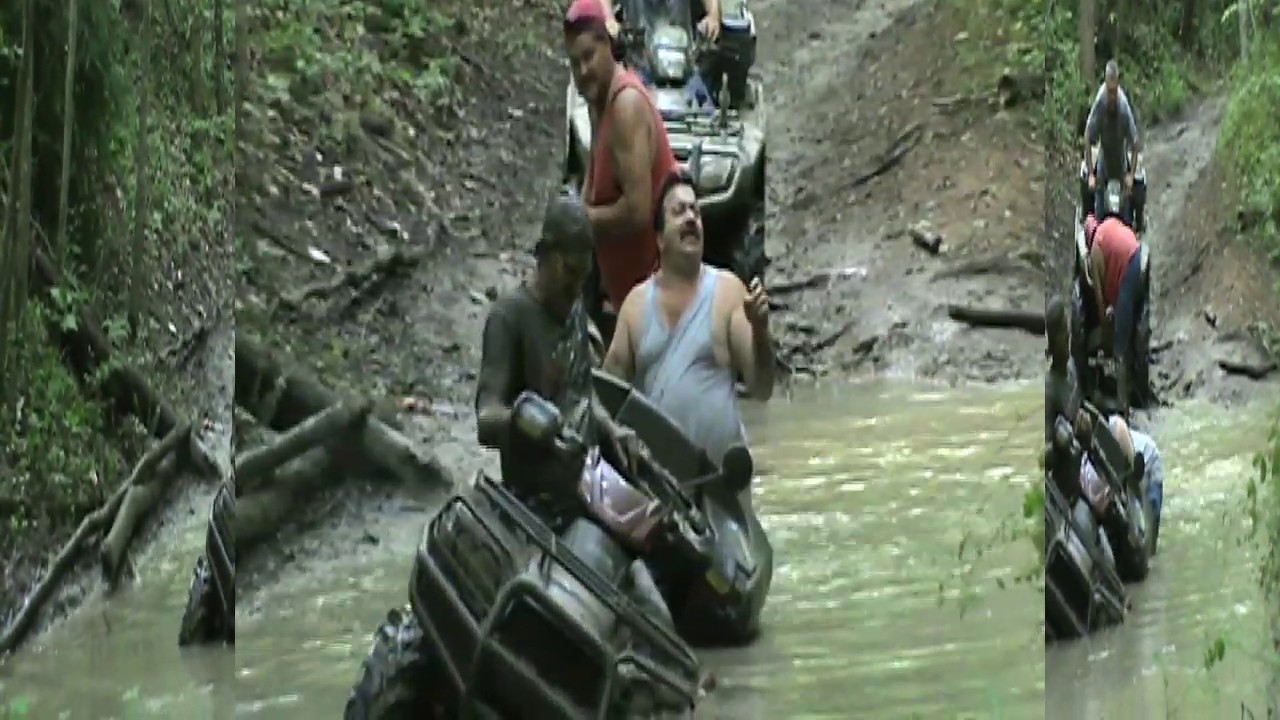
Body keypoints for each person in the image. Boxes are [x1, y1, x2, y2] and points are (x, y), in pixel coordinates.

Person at [474, 193, 646, 520]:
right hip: (535, 501)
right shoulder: (510, 318)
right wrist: (526, 421)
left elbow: (581, 392)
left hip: (589, 485)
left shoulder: (576, 310)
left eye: (584, 276)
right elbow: (486, 418)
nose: (576, 288)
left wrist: (611, 428)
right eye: (569, 273)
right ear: (545, 256)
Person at [602, 172, 774, 478]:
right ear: (659, 238)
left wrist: (760, 330)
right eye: (679, 211)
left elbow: (761, 388)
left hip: (724, 492)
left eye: (695, 210)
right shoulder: (635, 306)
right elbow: (606, 398)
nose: (691, 218)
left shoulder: (728, 291)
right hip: (661, 488)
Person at [565, 0, 681, 318]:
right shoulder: (597, 101)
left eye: (589, 56)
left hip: (655, 304)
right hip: (623, 298)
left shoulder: (625, 105)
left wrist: (580, 221)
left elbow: (637, 210)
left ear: (608, 45)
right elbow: (593, 188)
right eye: (575, 63)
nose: (583, 70)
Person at [1085, 209, 1142, 390]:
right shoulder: (1108, 224)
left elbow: (1099, 295)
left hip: (1128, 263)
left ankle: (1119, 375)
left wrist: (1104, 325)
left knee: (1122, 326)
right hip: (1136, 251)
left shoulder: (1095, 249)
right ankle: (1131, 362)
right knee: (1128, 312)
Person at [1083, 60, 1142, 223]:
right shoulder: (1100, 104)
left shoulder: (1123, 109)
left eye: (1114, 92)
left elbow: (1135, 143)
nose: (1112, 96)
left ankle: (1135, 229)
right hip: (1104, 159)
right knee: (1099, 208)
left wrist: (1130, 175)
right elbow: (1088, 136)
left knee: (1126, 213)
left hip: (1121, 159)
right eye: (1109, 92)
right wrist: (1090, 174)